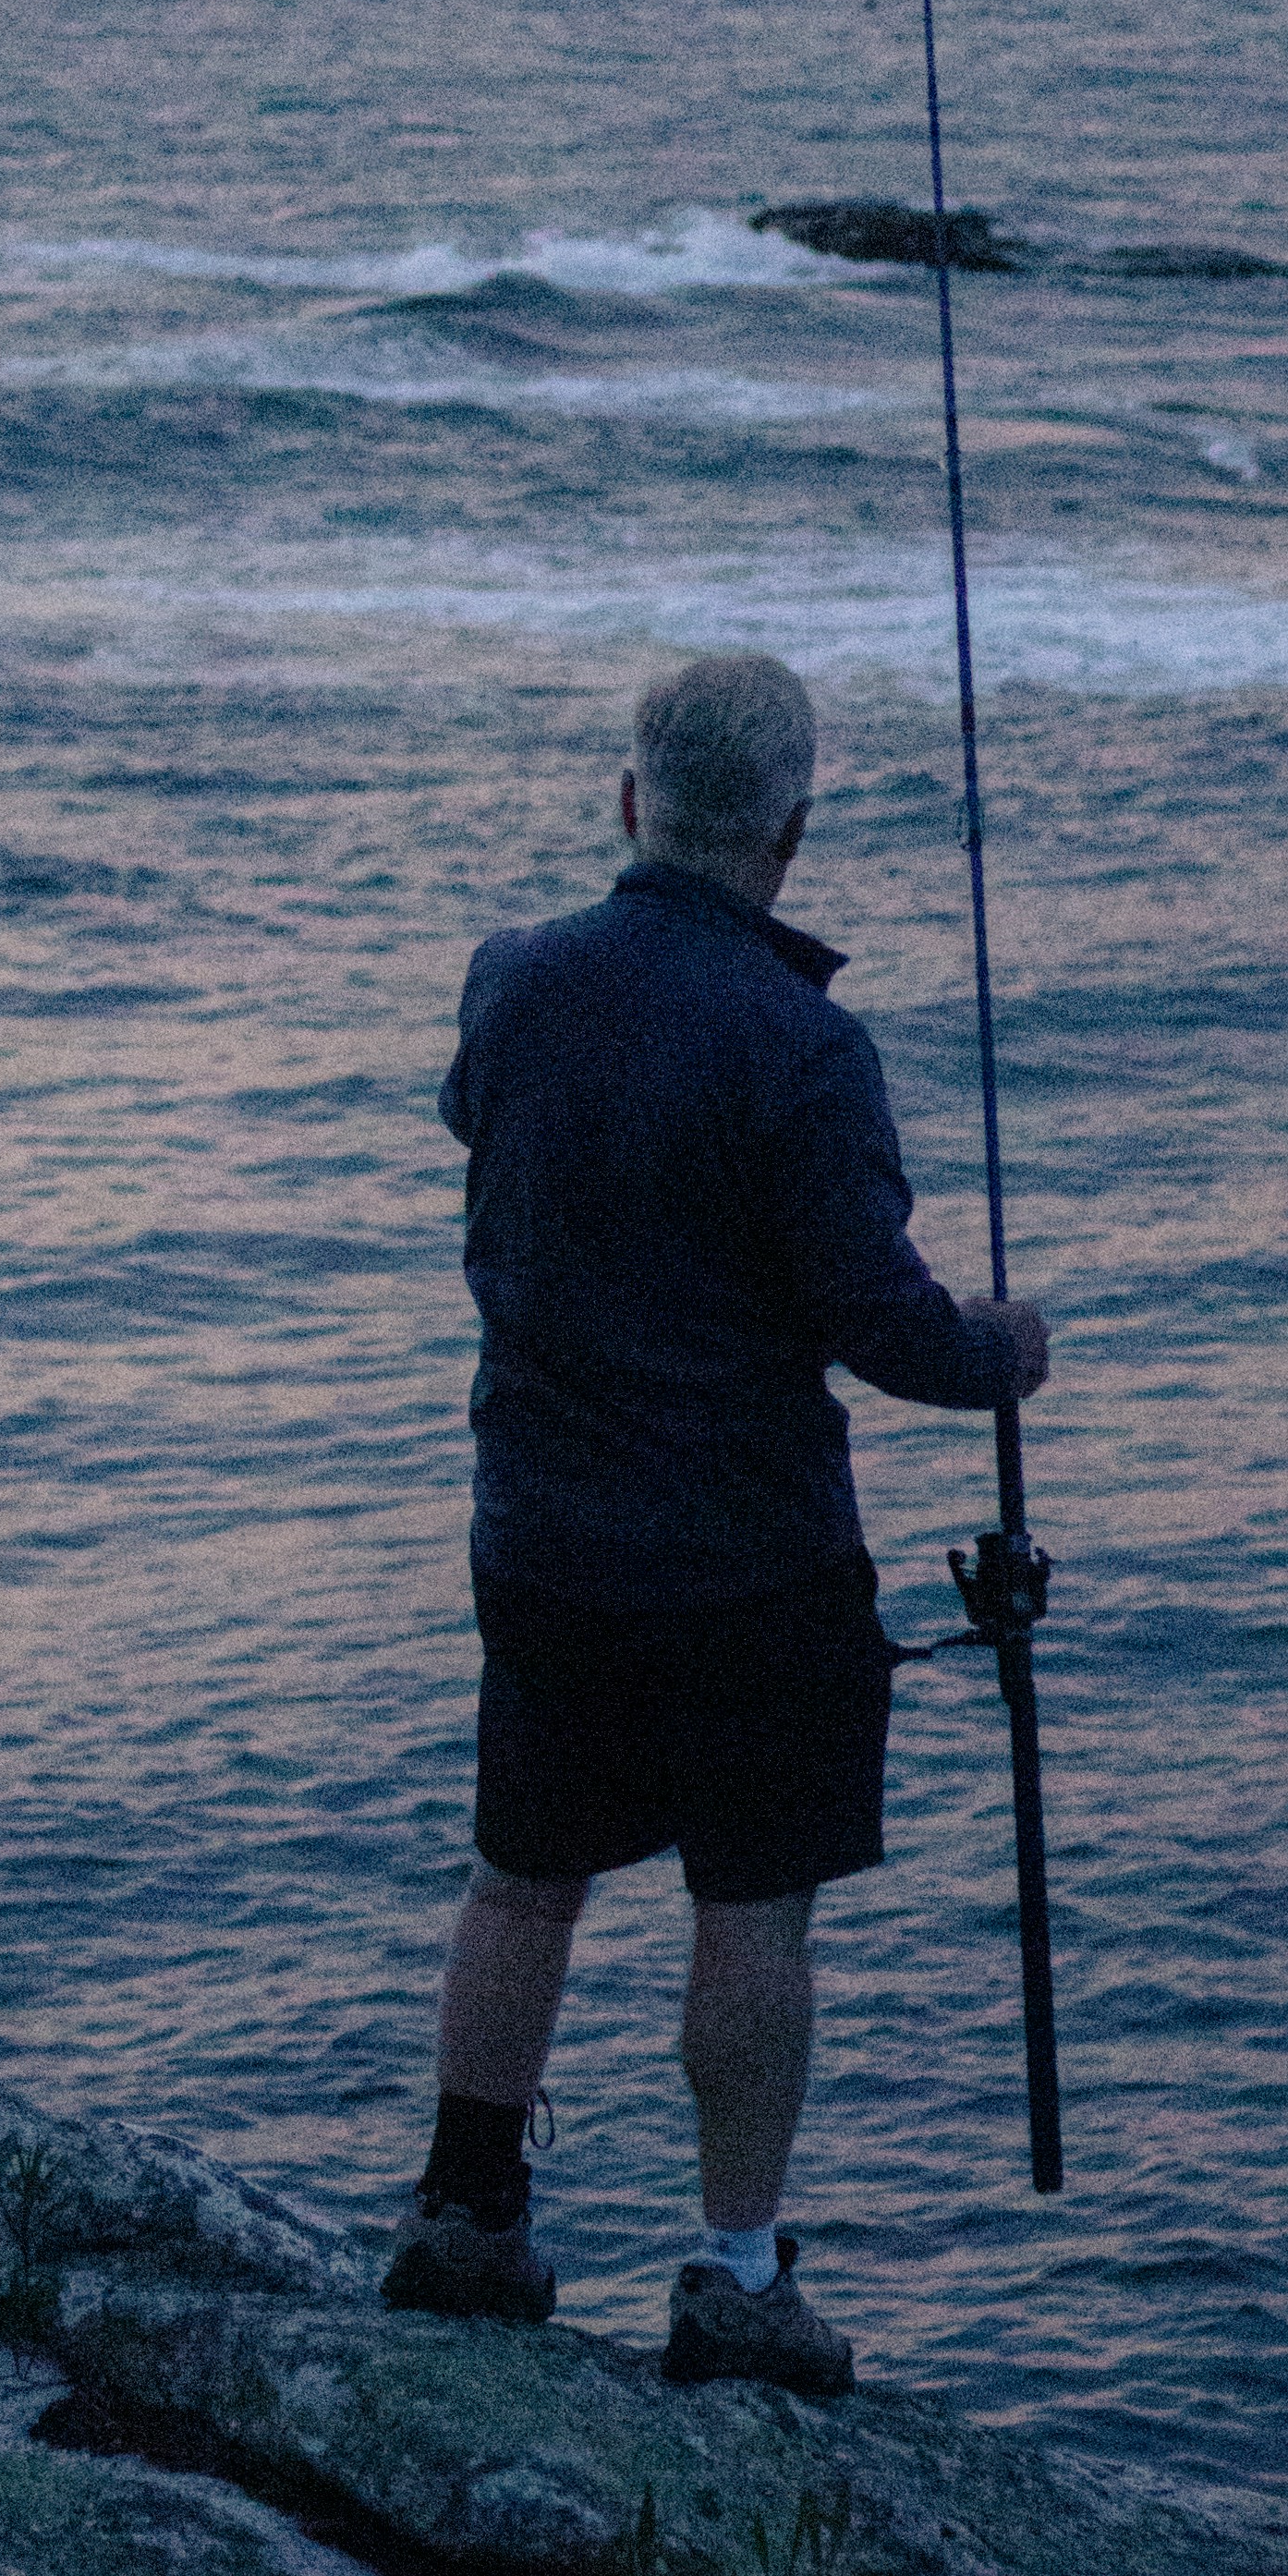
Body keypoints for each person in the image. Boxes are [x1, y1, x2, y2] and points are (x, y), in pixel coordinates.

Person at [389, 649, 1049, 2393]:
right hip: (752, 1566)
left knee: (522, 1881)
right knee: (750, 1915)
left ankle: (467, 2219)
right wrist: (1008, 1351)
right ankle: (737, 2278)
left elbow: (486, 1132)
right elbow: (887, 1328)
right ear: (794, 835)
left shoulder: (507, 983)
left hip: (540, 1534)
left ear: (629, 802)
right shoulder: (808, 1046)